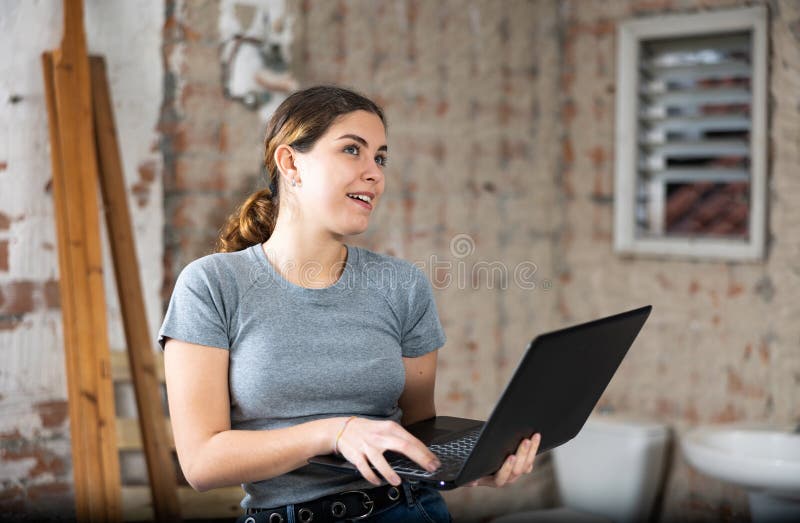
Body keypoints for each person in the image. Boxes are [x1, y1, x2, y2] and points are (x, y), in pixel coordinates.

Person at [159, 85, 541, 523]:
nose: (374, 172)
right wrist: (335, 432)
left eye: (379, 157)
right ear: (290, 164)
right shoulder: (212, 286)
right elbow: (202, 462)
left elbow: (418, 433)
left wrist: (463, 468)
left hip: (408, 511)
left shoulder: (402, 285)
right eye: (351, 150)